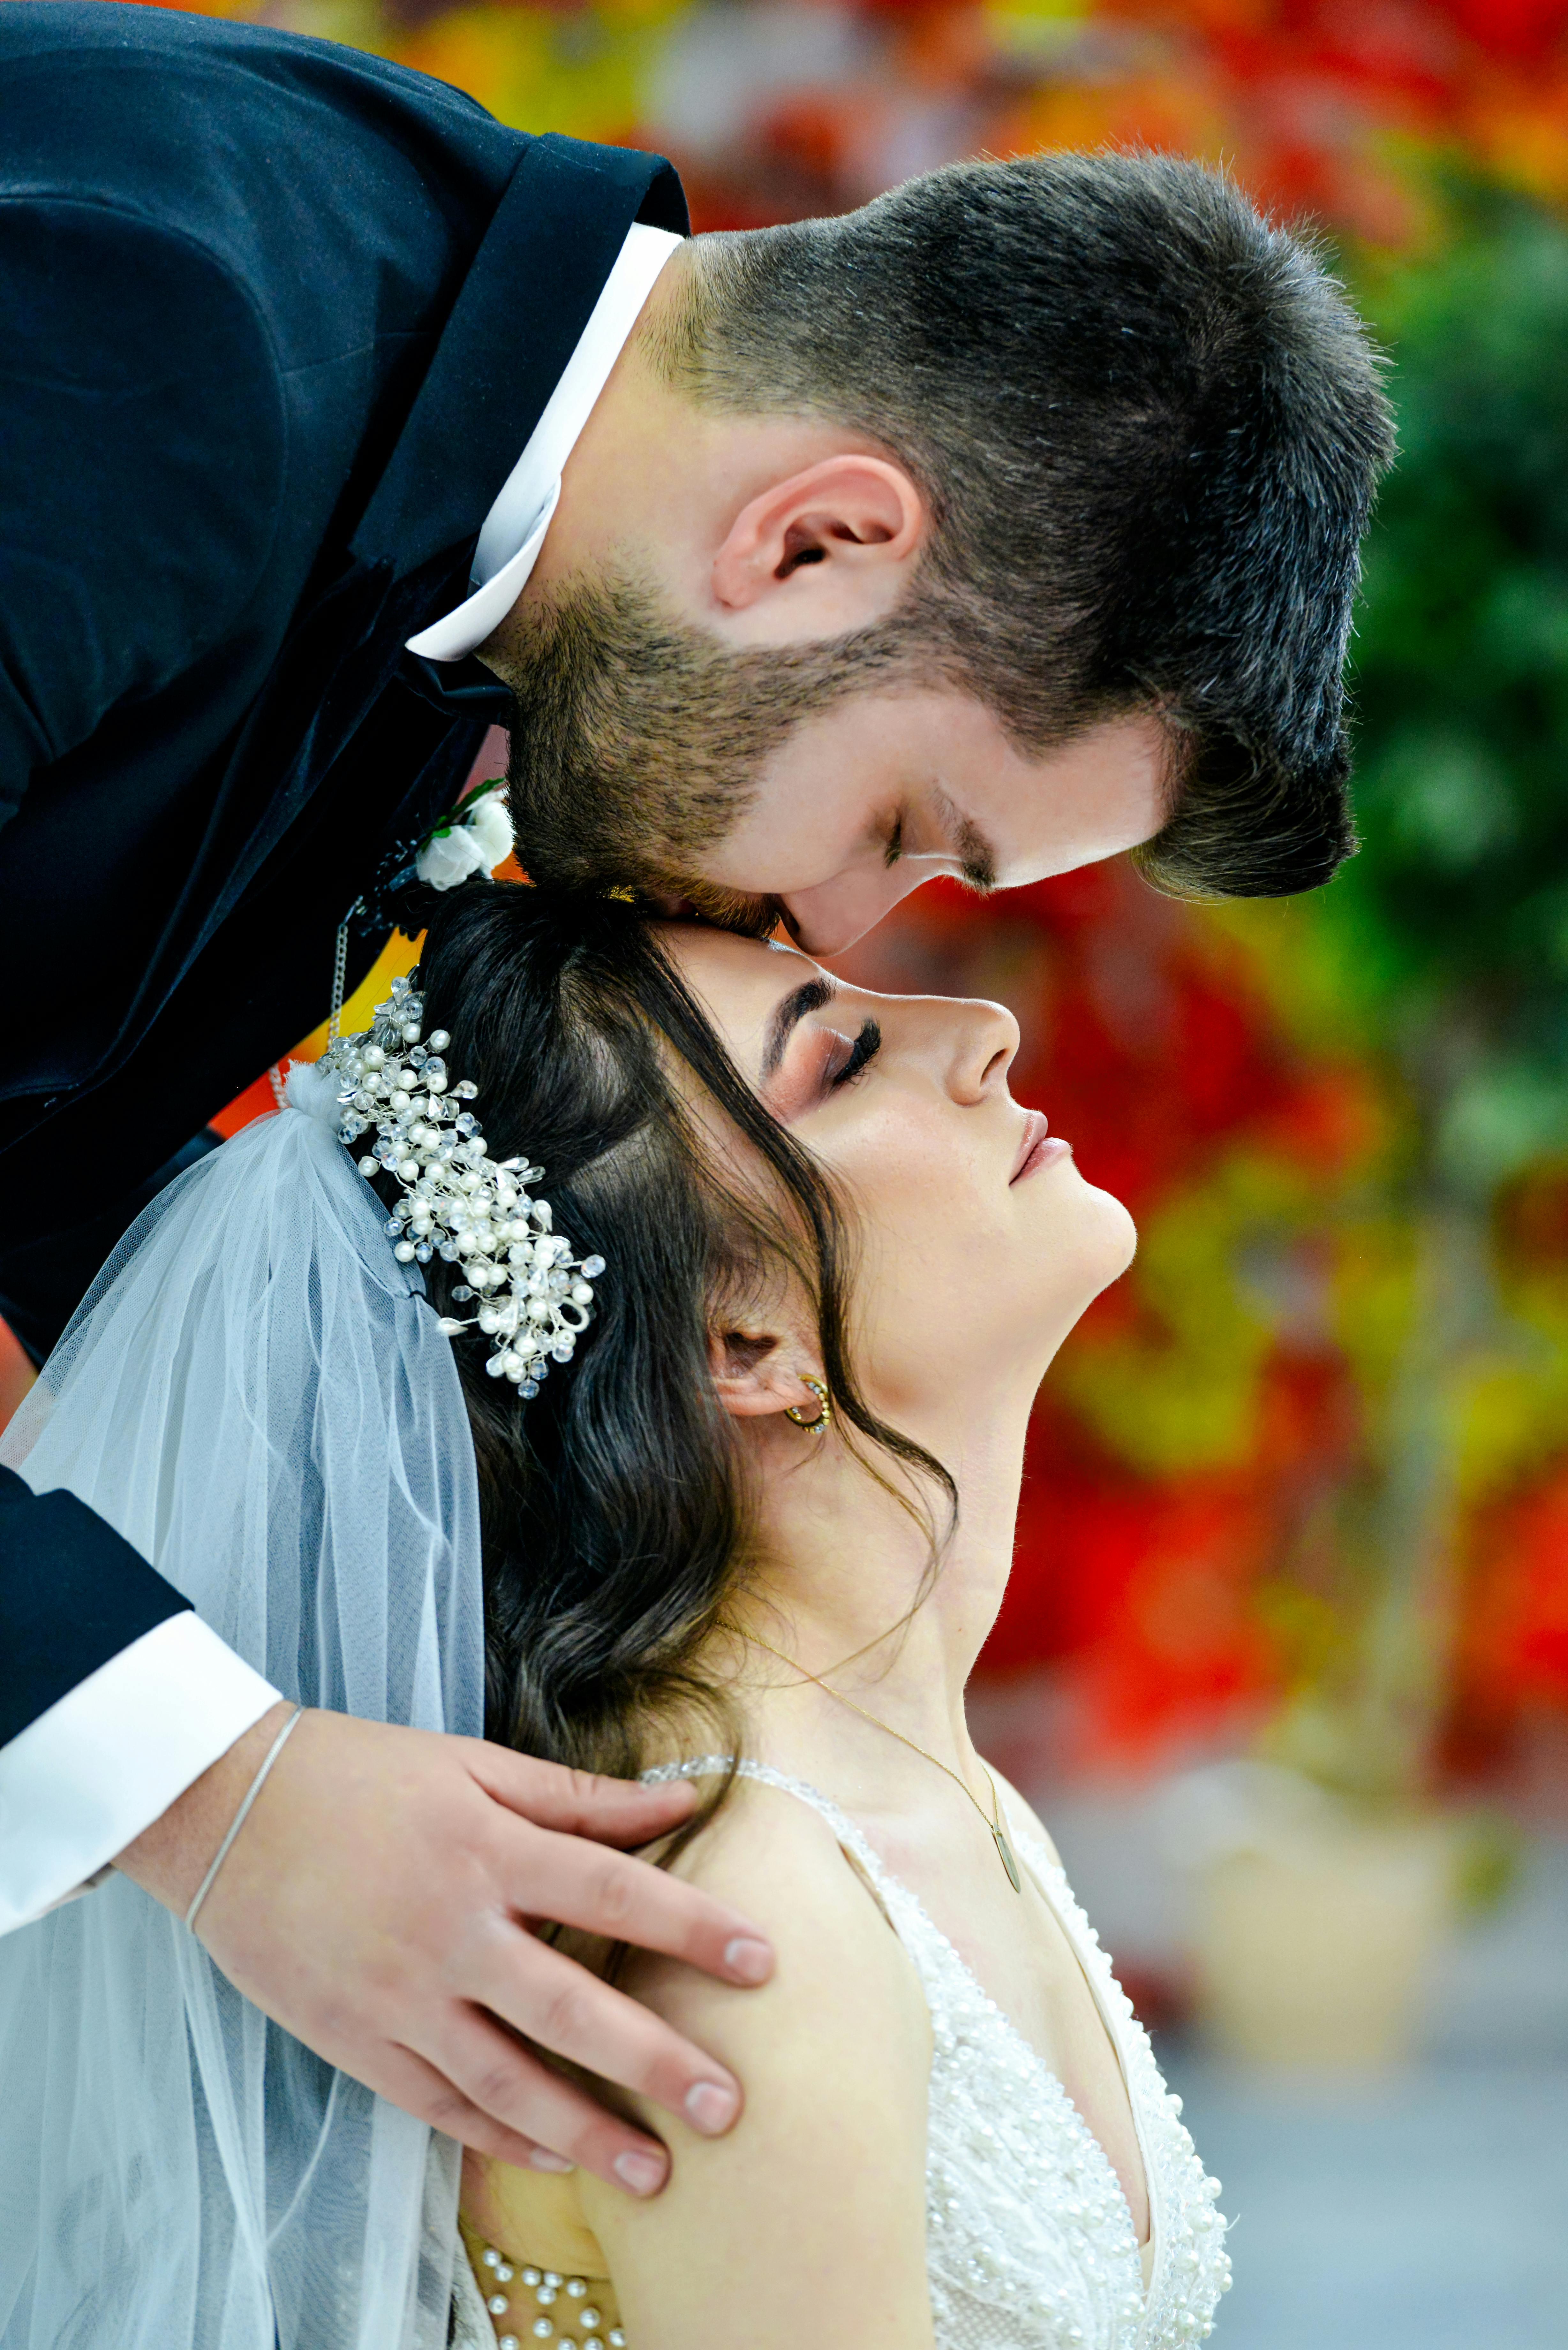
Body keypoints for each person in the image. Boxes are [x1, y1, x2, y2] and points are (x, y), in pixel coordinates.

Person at [0, 0, 1392, 2195]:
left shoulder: (434, 510)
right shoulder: (152, 315)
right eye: (914, 832)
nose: (837, 926)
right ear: (819, 541)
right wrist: (216, 1791)